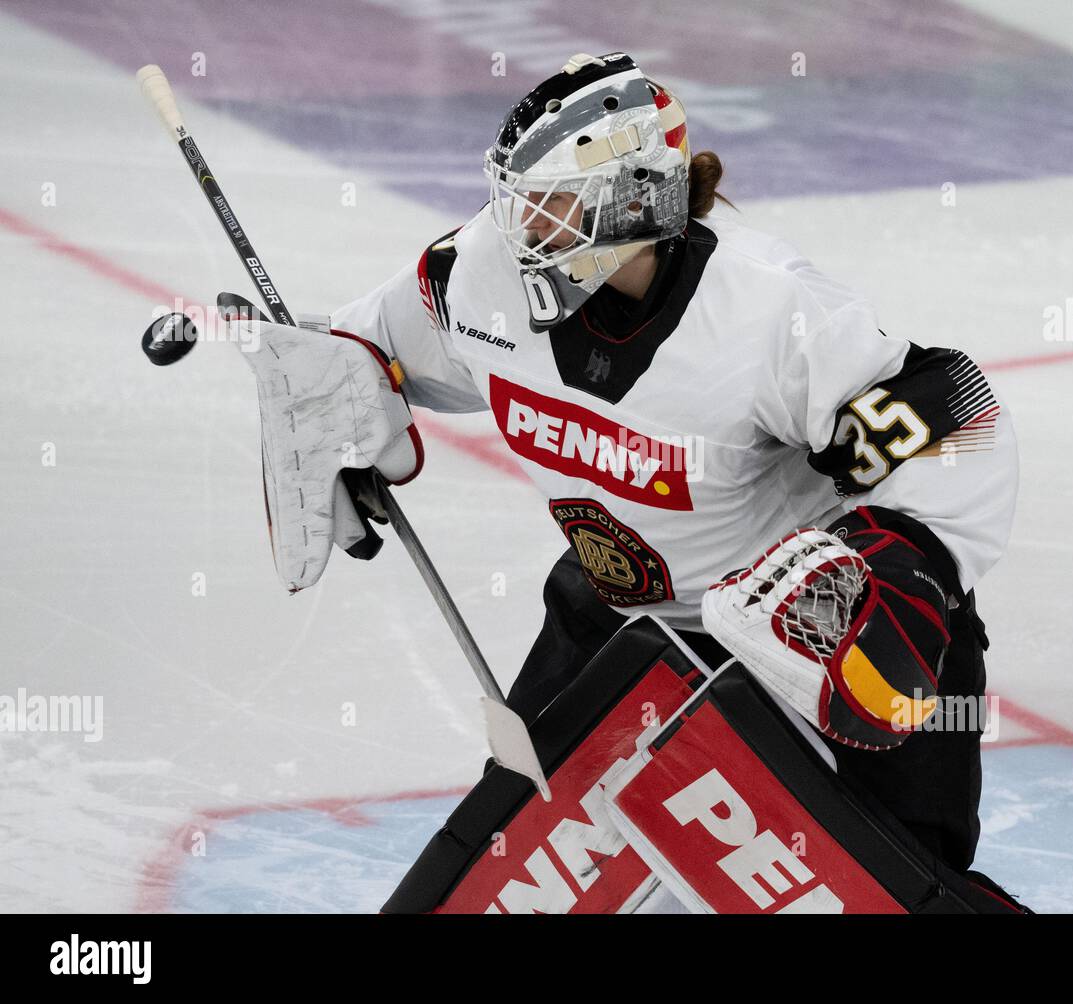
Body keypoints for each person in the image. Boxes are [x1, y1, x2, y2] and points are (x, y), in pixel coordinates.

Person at [329, 52, 1019, 876]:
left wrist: (908, 574)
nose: (519, 228)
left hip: (810, 638)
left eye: (550, 202)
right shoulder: (482, 271)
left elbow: (951, 421)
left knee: (896, 884)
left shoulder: (767, 308)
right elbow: (371, 341)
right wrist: (338, 408)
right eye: (517, 199)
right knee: (510, 872)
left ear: (631, 200)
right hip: (619, 624)